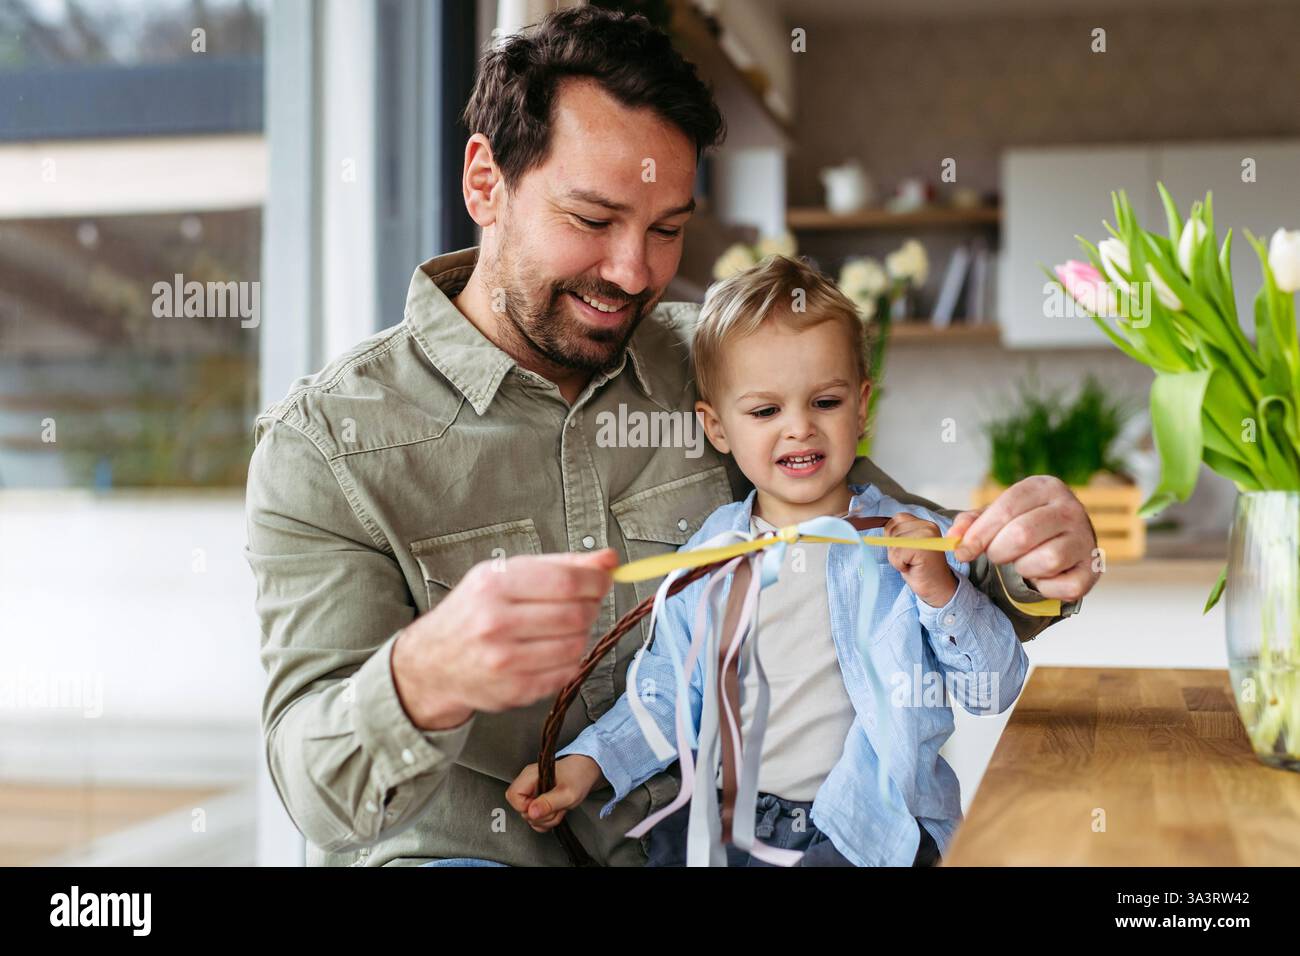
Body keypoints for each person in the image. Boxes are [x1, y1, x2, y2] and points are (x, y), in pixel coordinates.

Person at [245, 7, 1097, 868]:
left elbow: (908, 545)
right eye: (592, 219)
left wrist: (1034, 555)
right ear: (484, 184)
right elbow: (315, 784)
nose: (633, 272)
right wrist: (423, 674)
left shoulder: (724, 361)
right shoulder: (326, 445)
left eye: (666, 229)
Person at [506, 255, 1027, 867]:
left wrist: (943, 595)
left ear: (862, 408)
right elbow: (669, 689)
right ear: (717, 428)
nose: (799, 429)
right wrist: (586, 764)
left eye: (825, 403)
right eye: (765, 411)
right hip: (727, 825)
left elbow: (993, 687)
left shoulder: (915, 544)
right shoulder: (709, 555)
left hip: (863, 827)